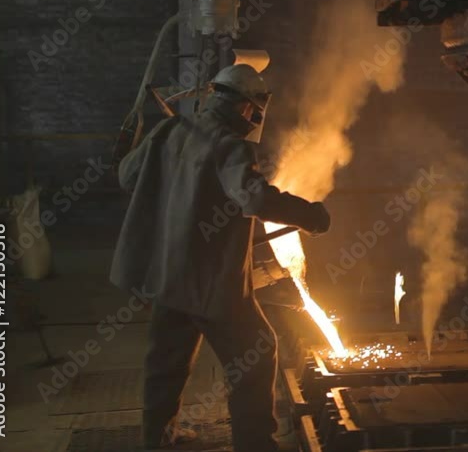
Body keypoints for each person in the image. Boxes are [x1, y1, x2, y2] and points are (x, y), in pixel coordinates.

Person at [111, 64, 330, 452]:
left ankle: (157, 439)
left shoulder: (169, 130)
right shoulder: (230, 144)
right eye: (255, 111)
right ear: (248, 107)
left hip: (167, 277)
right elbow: (256, 198)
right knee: (257, 355)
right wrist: (309, 215)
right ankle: (256, 445)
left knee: (165, 364)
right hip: (211, 284)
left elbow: (127, 176)